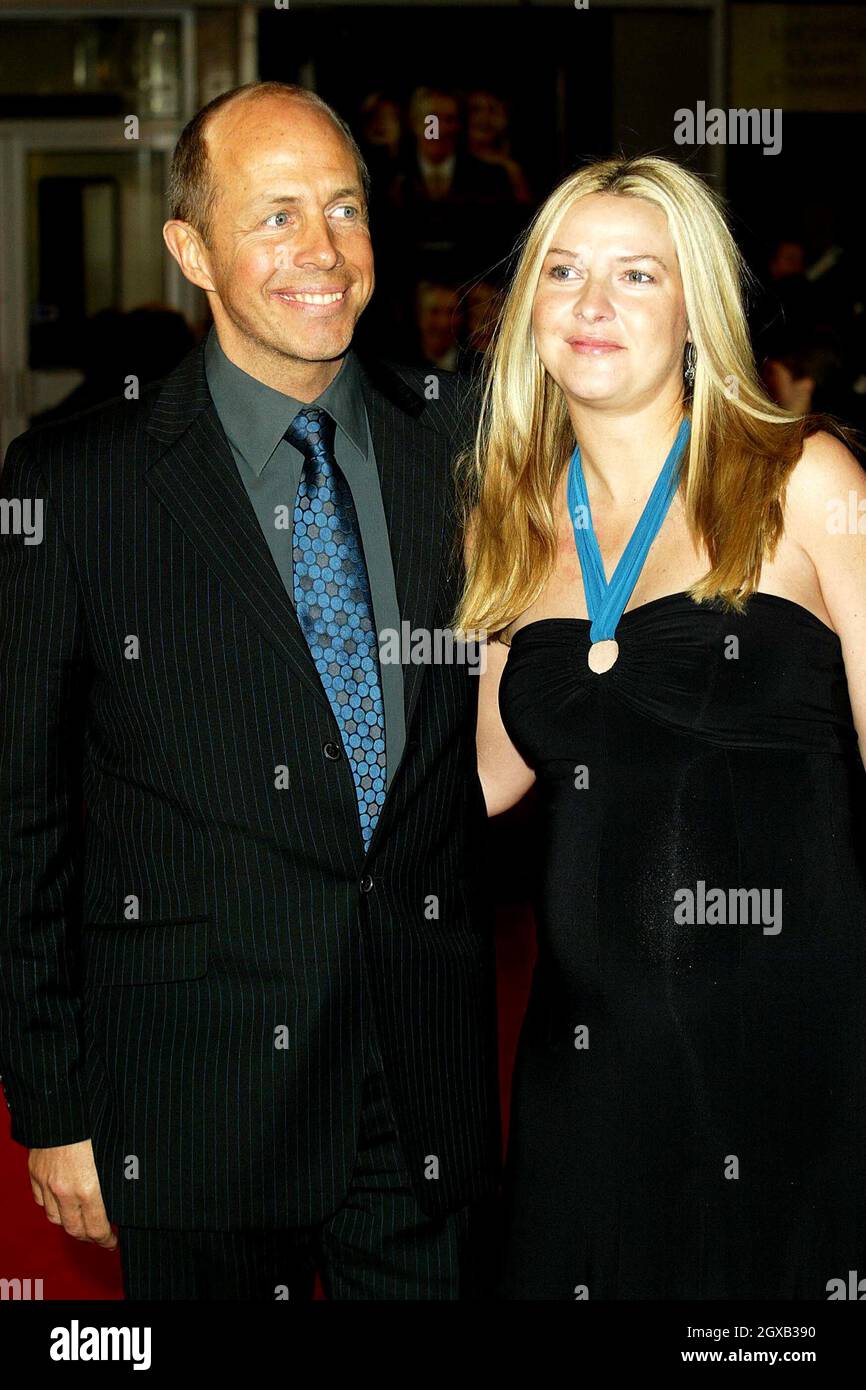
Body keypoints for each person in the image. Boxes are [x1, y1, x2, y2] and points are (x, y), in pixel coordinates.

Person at [0, 80, 500, 1301]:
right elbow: (20, 813)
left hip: (420, 1086)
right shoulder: (73, 484)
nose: (322, 252)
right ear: (191, 249)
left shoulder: (464, 447)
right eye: (275, 216)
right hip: (192, 1095)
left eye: (341, 208)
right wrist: (54, 1102)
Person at [456, 154, 866, 1299]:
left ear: (695, 312)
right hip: (585, 1069)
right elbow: (478, 780)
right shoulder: (512, 523)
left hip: (794, 1050)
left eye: (635, 275)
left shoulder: (801, 480)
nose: (591, 305)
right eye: (564, 272)